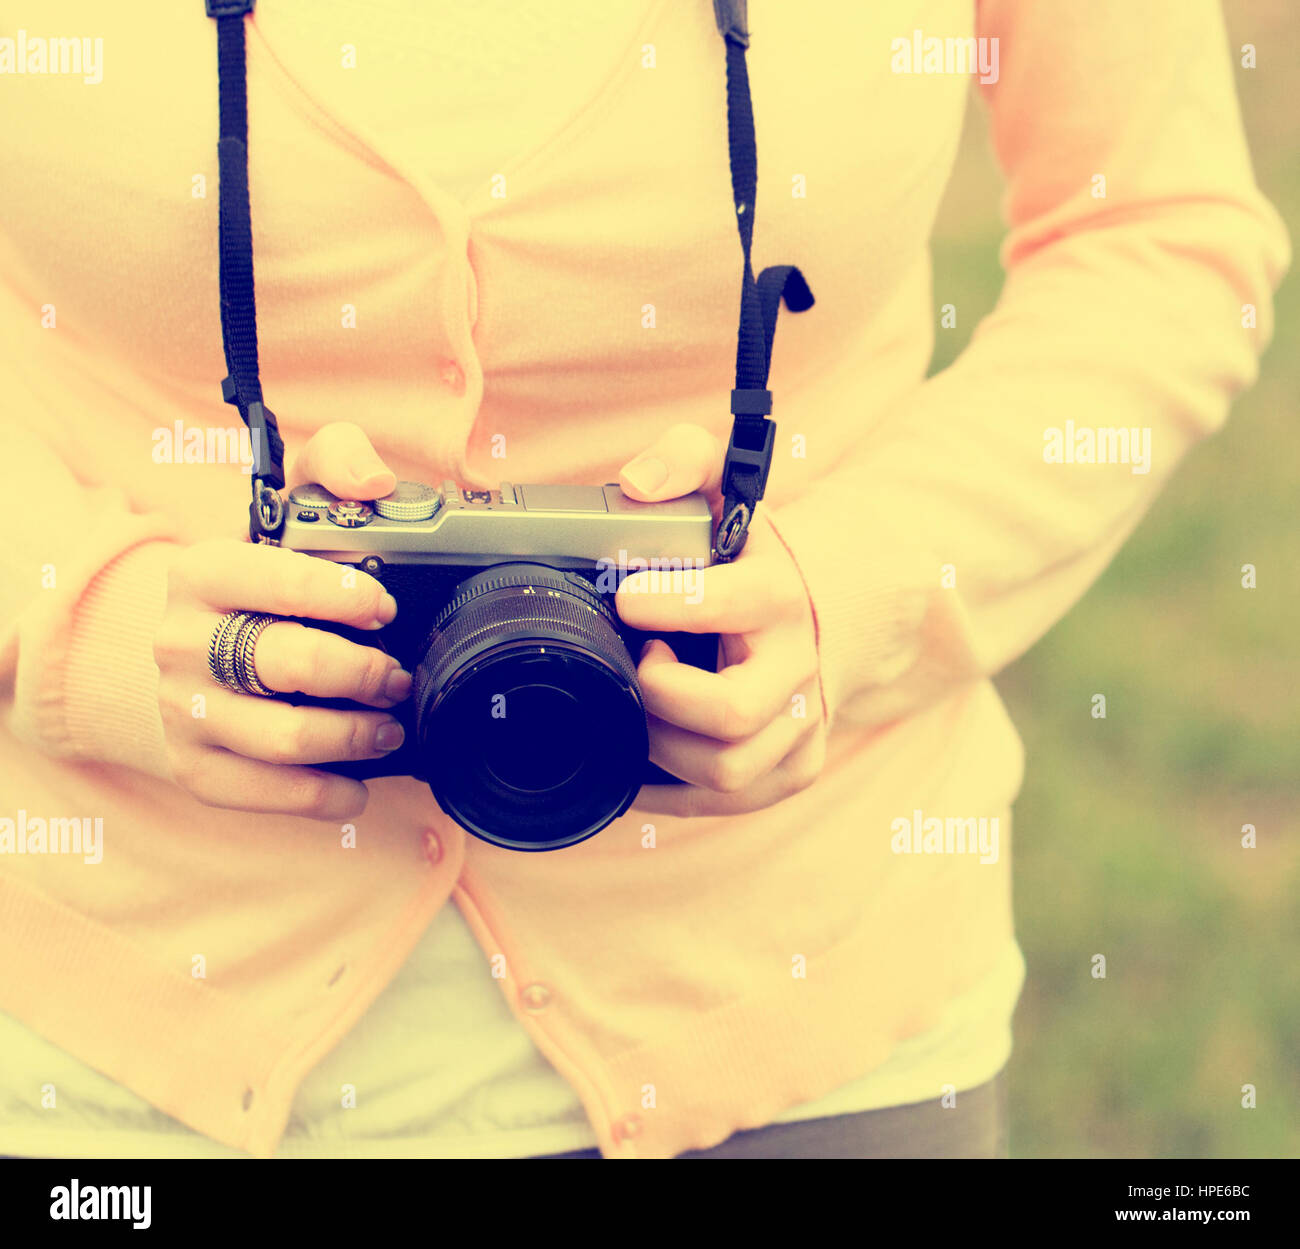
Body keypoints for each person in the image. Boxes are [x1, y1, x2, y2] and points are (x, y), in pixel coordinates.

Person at [0, 0, 1287, 1159]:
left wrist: (855, 589)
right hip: (112, 1024)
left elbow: (1153, 230)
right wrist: (77, 623)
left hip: (806, 1015)